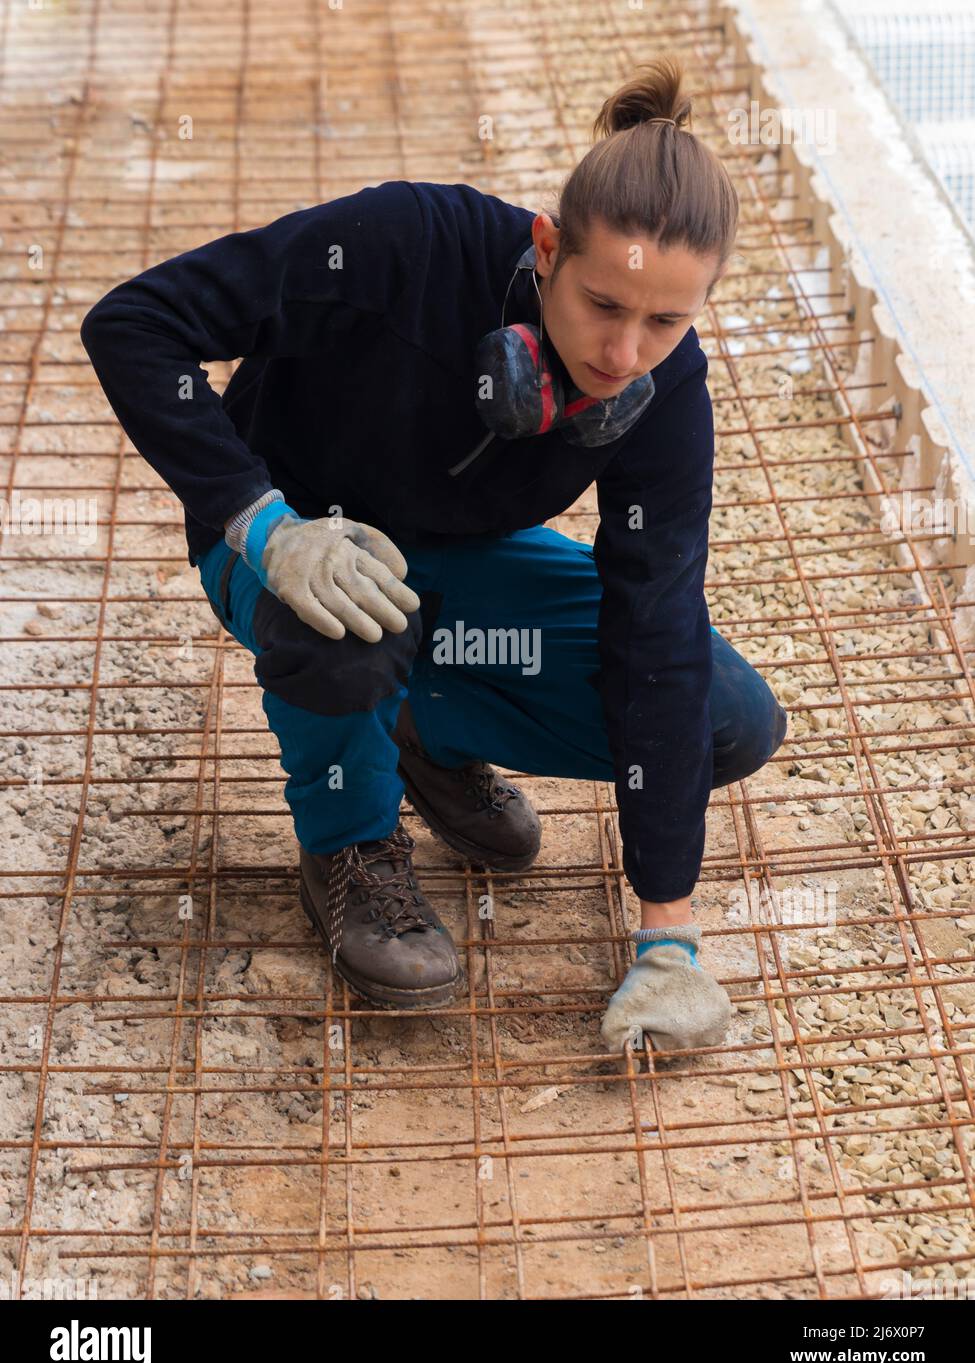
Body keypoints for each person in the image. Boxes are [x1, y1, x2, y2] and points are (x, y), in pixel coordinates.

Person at [79, 55, 788, 1056]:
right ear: (547, 249)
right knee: (348, 629)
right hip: (290, 550)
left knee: (730, 719)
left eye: (666, 321)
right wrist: (261, 523)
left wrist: (667, 931)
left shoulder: (661, 394)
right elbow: (134, 324)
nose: (624, 354)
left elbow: (657, 626)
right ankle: (351, 845)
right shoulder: (403, 243)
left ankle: (425, 729)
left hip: (463, 570)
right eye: (603, 304)